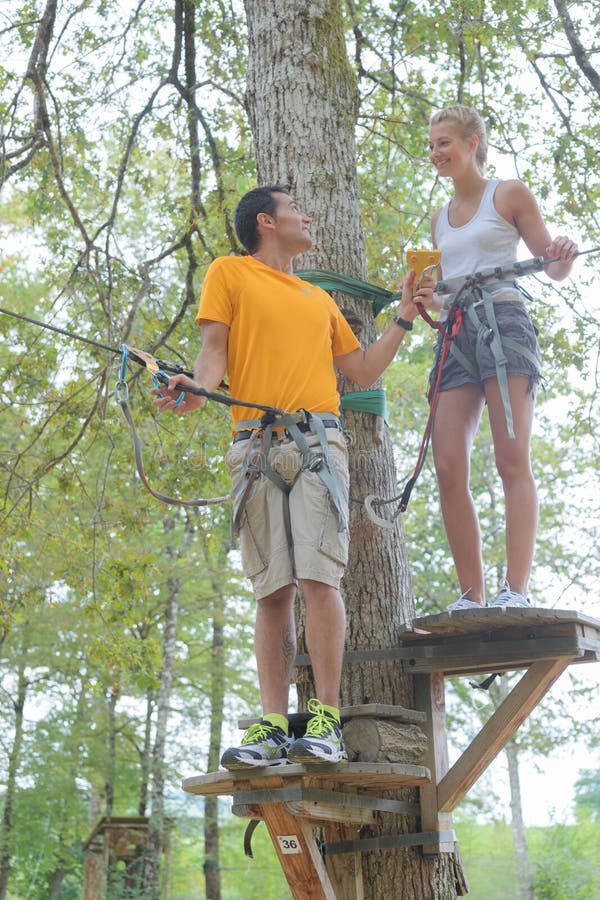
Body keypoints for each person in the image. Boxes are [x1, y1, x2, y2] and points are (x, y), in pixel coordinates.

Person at [154, 184, 434, 768]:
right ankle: (274, 725)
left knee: (319, 580)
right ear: (267, 221)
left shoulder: (317, 298)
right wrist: (195, 392)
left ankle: (325, 723)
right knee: (271, 591)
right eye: (296, 209)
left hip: (316, 444)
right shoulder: (230, 274)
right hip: (254, 444)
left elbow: (360, 369)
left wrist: (405, 316)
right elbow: (213, 354)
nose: (307, 215)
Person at [424, 105, 578, 612]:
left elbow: (550, 266)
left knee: (510, 457)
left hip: (503, 322)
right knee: (448, 466)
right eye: (431, 145)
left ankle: (515, 589)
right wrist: (427, 301)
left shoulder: (507, 194)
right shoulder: (438, 219)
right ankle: (472, 596)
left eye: (444, 142)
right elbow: (445, 295)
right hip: (456, 331)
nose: (435, 152)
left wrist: (561, 253)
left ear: (472, 142)